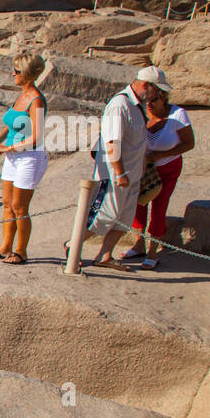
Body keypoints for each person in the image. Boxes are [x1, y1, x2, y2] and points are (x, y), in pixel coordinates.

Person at [80, 66, 168, 270]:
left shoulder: (135, 105)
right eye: (157, 90)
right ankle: (72, 246)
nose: (158, 96)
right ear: (146, 85)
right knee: (103, 215)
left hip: (132, 174)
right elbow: (112, 142)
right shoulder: (120, 105)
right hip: (116, 175)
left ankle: (105, 255)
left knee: (123, 219)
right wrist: (119, 172)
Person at [0, 54, 49, 265]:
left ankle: (21, 251)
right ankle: (4, 247)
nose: (13, 74)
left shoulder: (36, 100)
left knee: (20, 206)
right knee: (6, 204)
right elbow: (12, 121)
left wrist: (8, 147)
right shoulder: (21, 95)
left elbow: (37, 136)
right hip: (13, 156)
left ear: (28, 74)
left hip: (29, 156)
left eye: (17, 71)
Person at [124, 91, 194, 269]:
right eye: (146, 100)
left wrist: (161, 155)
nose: (148, 104)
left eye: (153, 100)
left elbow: (189, 143)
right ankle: (139, 244)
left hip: (167, 167)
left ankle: (153, 250)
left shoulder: (178, 115)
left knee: (159, 206)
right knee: (138, 203)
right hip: (142, 167)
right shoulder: (140, 112)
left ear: (163, 98)